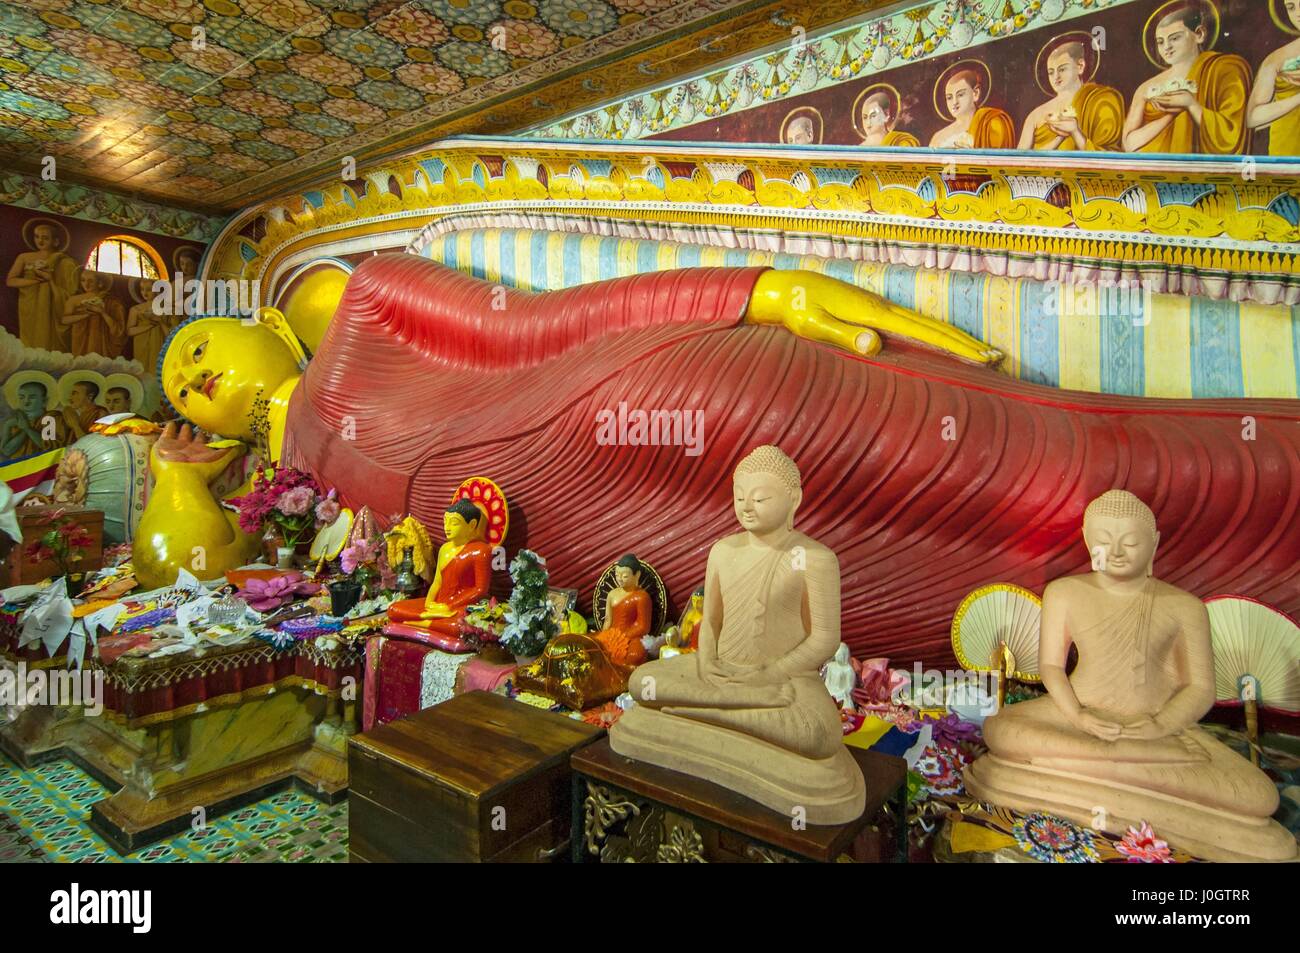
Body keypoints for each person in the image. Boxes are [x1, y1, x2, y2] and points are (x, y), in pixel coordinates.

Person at [1122, 1, 1251, 154]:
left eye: (1175, 38)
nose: (1167, 47)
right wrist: (1171, 115)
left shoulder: (1224, 69)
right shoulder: (1145, 88)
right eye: (1160, 42)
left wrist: (1191, 105)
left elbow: (1231, 135)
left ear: (1199, 34)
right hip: (1153, 171)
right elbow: (1129, 144)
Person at [1019, 40, 1124, 151]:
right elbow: (1019, 160)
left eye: (1062, 69)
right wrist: (1058, 139)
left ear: (1080, 66)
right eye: (1051, 72)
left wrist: (1075, 132)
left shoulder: (1101, 100)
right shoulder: (1035, 116)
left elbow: (1110, 158)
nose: (1056, 77)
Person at [6, 221, 78, 352]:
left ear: (55, 241)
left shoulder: (64, 261)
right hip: (29, 303)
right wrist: (36, 281)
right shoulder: (24, 257)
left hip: (53, 306)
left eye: (45, 238)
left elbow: (70, 292)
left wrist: (50, 281)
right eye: (37, 236)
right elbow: (10, 281)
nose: (40, 240)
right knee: (31, 339)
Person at [1247, 0, 1300, 156]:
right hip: (1288, 153)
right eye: (1291, 7)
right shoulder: (1276, 59)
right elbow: (1252, 117)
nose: (1298, 13)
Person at [929, 68, 1015, 149]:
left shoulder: (991, 123)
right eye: (949, 97)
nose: (955, 102)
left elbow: (998, 161)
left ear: (975, 93)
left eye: (960, 95)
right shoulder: (938, 136)